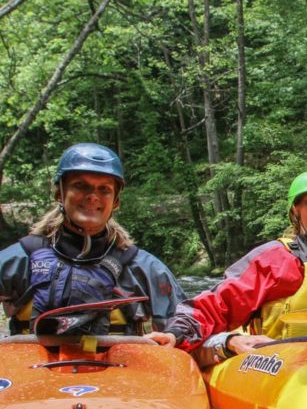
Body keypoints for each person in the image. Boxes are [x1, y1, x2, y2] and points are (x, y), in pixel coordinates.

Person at [148, 170, 307, 363]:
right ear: (296, 210)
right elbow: (216, 306)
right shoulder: (273, 259)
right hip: (276, 362)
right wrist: (176, 334)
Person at [0, 143, 185, 336]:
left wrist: (173, 337)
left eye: (104, 189)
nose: (92, 197)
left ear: (115, 201)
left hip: (119, 365)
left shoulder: (144, 269)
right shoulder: (20, 260)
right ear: (59, 194)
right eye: (81, 185)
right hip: (29, 364)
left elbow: (182, 327)